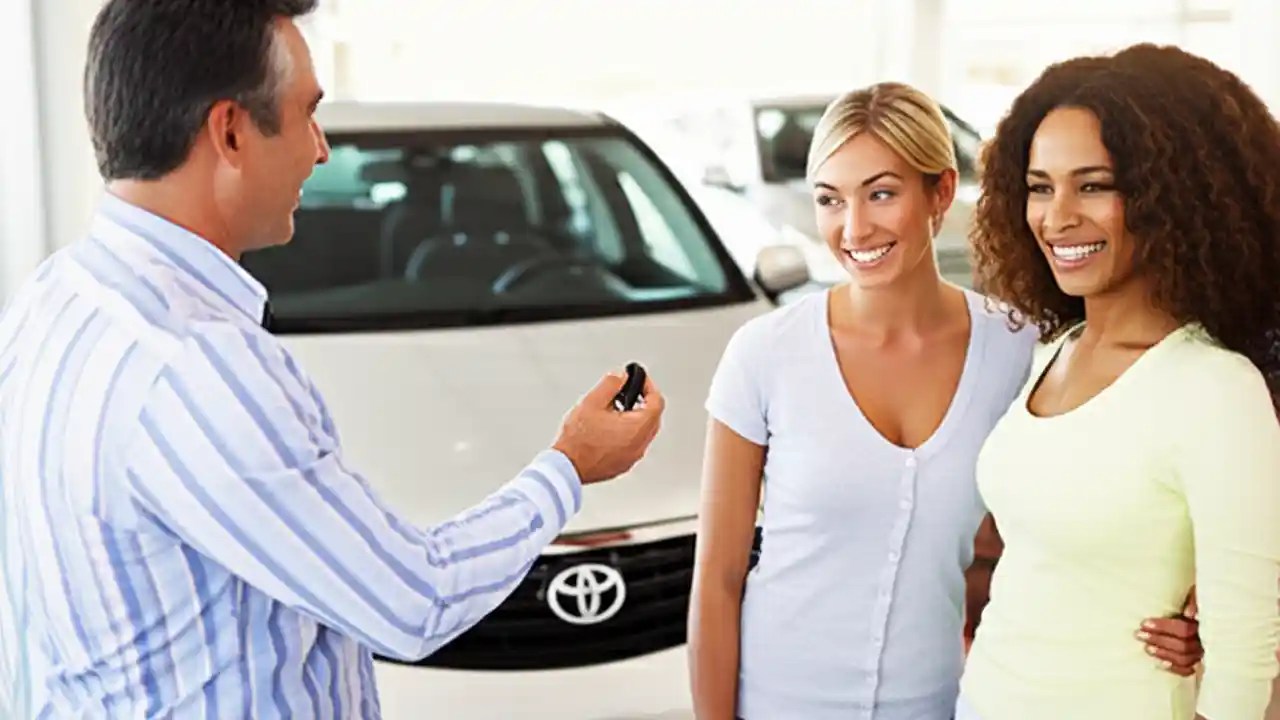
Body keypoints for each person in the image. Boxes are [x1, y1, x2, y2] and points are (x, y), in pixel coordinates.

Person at [0, 1, 664, 718]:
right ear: (230, 131)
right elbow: (416, 601)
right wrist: (570, 465)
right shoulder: (199, 368)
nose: (320, 149)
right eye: (307, 114)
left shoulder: (55, 298)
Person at [687, 81, 1202, 720]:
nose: (854, 228)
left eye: (881, 193)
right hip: (776, 702)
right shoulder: (763, 354)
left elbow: (1088, 517)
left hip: (937, 703)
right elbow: (716, 580)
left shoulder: (1018, 351)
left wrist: (1182, 599)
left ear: (938, 193)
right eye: (830, 199)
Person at [957, 43, 1280, 720]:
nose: (1057, 215)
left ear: (1171, 199)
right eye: (1040, 186)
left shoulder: (1215, 390)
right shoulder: (1054, 352)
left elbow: (1246, 660)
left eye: (1095, 184)